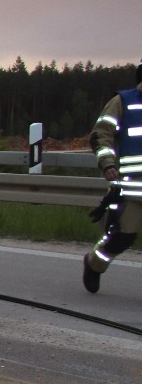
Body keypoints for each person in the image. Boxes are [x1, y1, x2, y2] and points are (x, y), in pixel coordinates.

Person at [82, 61, 142, 292]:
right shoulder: (122, 102)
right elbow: (101, 134)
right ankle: (94, 265)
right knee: (121, 239)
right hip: (131, 187)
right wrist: (107, 163)